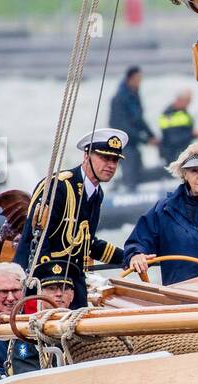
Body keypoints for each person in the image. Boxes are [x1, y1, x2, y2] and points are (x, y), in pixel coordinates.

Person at [12, 128, 128, 310]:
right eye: (105, 158)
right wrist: (53, 291)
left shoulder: (97, 193)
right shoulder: (59, 186)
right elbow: (38, 243)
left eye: (115, 160)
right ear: (86, 156)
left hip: (73, 281)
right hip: (44, 283)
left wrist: (129, 257)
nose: (111, 165)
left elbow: (87, 243)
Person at [124, 142, 198, 285]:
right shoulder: (164, 209)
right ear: (184, 174)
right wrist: (135, 255)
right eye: (194, 171)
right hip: (181, 296)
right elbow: (138, 241)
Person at [6, 261, 80, 377]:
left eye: (65, 289)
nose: (59, 294)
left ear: (72, 295)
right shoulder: (28, 333)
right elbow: (26, 375)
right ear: (39, 293)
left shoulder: (82, 329)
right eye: (52, 288)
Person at [108, 66, 157, 188]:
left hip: (134, 143)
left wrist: (152, 135)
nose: (139, 82)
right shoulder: (119, 99)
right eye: (137, 79)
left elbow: (139, 120)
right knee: (130, 177)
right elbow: (121, 127)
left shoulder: (135, 96)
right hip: (124, 145)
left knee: (138, 173)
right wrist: (145, 140)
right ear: (129, 79)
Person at [157, 90, 198, 162]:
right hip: (172, 154)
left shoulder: (182, 111)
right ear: (180, 100)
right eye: (187, 101)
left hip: (181, 152)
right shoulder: (168, 115)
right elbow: (173, 139)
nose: (188, 104)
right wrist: (194, 134)